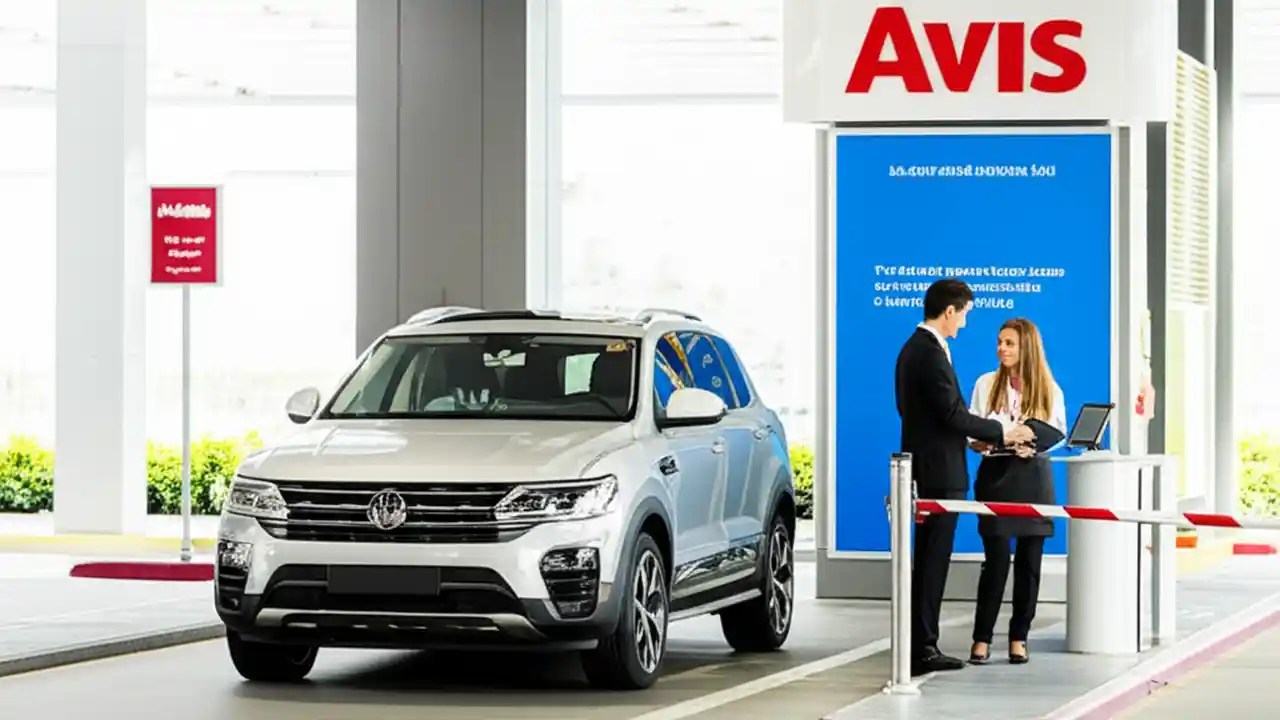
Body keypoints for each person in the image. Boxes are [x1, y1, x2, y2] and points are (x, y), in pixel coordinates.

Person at [894, 279, 1036, 675]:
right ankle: (922, 648)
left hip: (930, 466)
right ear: (950, 311)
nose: (965, 324)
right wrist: (1002, 431)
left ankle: (922, 644)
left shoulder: (915, 350)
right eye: (965, 314)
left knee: (929, 560)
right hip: (939, 472)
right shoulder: (927, 352)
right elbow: (952, 415)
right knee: (932, 561)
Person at [966, 318, 1066, 665]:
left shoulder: (1049, 389)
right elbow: (971, 433)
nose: (1002, 349)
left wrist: (1032, 444)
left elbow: (1057, 435)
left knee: (1030, 563)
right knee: (995, 563)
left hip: (1033, 479)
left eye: (1009, 343)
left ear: (1027, 347)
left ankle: (1019, 637)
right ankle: (981, 638)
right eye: (1000, 342)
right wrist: (997, 440)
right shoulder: (985, 383)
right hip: (996, 477)